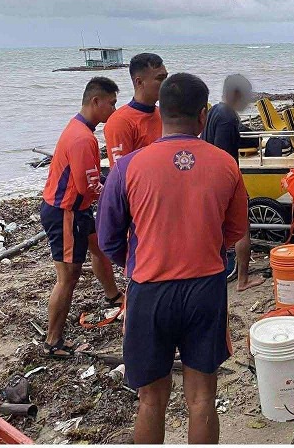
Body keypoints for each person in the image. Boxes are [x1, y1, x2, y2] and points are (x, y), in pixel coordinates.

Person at [98, 73, 248, 444]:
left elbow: (108, 239)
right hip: (205, 288)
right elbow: (234, 232)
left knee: (150, 401)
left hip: (149, 290)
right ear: (203, 115)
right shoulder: (225, 164)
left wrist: (140, 261)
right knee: (201, 400)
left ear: (161, 111)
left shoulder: (127, 167)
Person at [40, 77, 124, 358]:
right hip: (66, 211)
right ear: (95, 101)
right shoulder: (83, 138)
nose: (113, 110)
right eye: (111, 103)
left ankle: (112, 295)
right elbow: (88, 185)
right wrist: (118, 196)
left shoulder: (80, 129)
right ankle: (53, 341)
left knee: (99, 247)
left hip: (78, 209)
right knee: (68, 277)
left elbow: (89, 183)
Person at [203, 73, 262, 291]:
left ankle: (221, 269)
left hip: (209, 177)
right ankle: (243, 280)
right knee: (242, 229)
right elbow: (223, 155)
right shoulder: (228, 117)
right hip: (225, 180)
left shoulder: (214, 111)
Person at [104, 52, 168, 167]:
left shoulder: (163, 115)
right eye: (160, 79)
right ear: (139, 82)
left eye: (166, 78)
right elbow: (120, 174)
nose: (166, 84)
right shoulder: (120, 122)